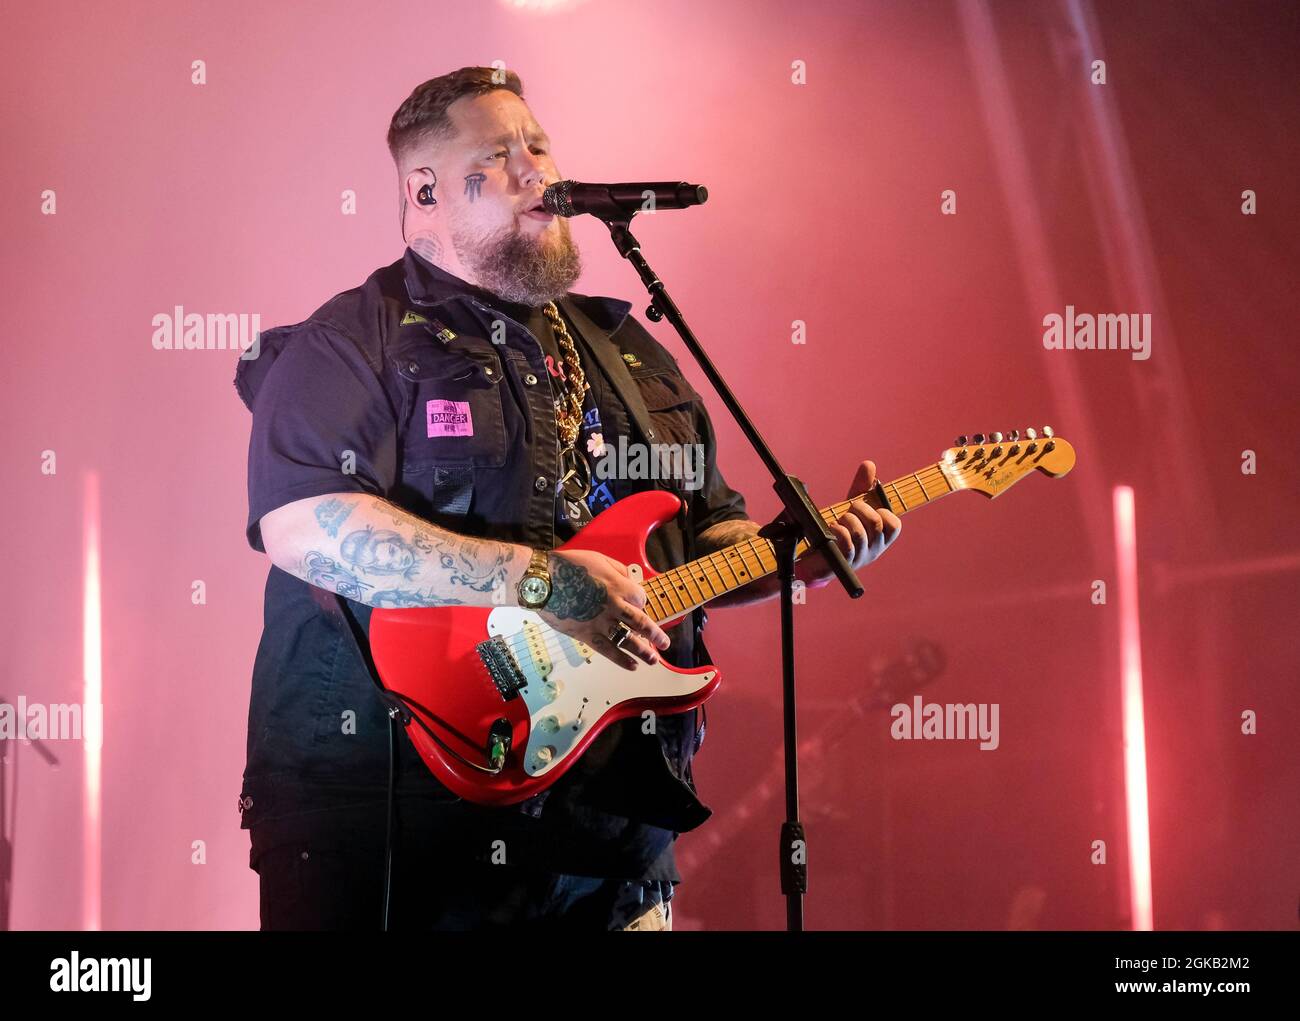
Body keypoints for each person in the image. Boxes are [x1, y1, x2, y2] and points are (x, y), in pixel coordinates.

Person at [233, 65, 901, 931]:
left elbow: (701, 534)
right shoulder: (349, 342)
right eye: (500, 155)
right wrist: (542, 580)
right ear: (424, 189)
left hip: (611, 832)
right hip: (396, 821)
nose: (535, 169)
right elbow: (304, 526)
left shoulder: (630, 349)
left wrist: (790, 560)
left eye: (538, 145)